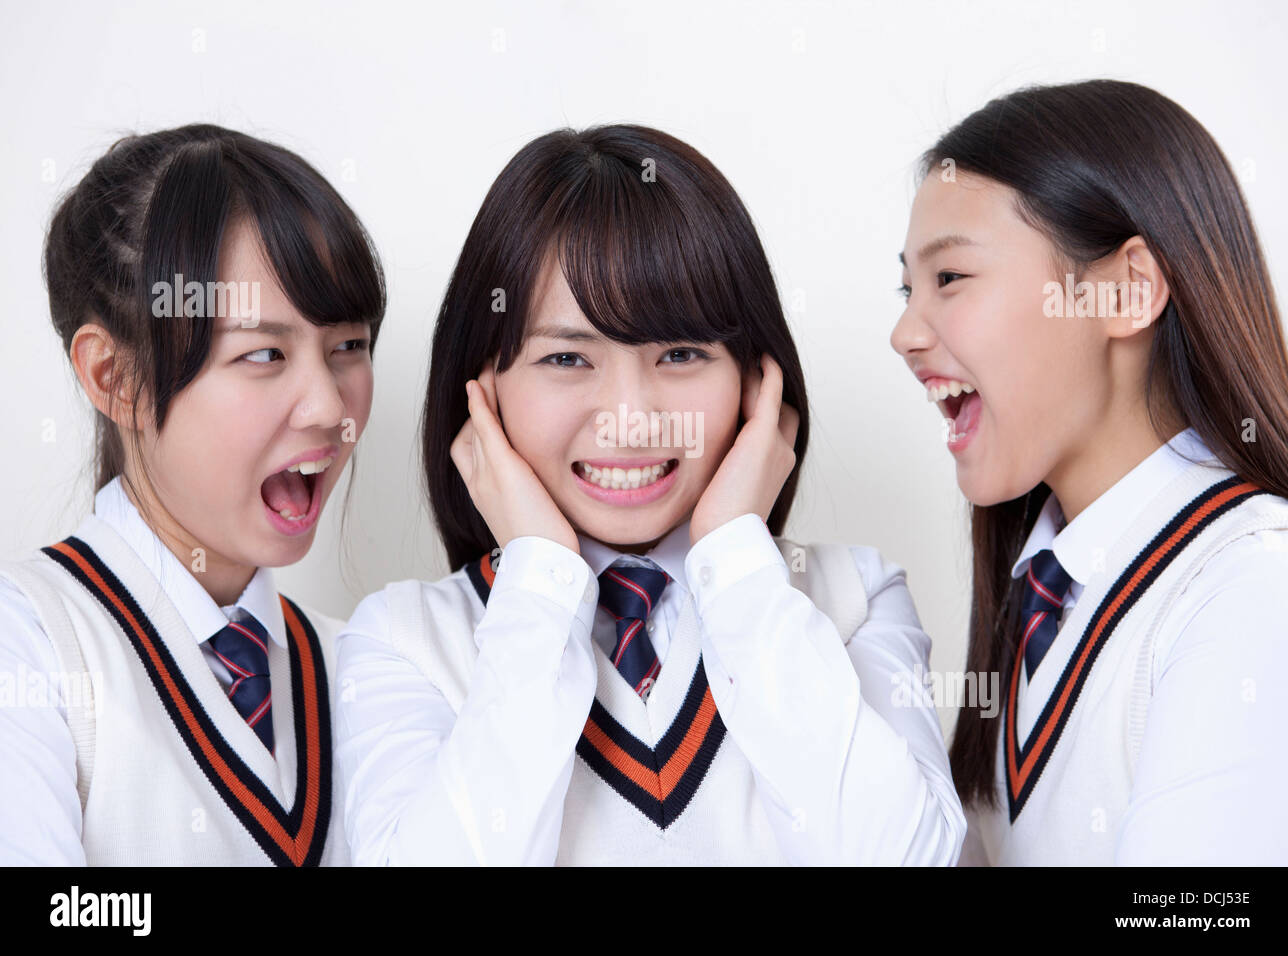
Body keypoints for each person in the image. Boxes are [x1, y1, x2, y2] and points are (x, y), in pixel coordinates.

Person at [335, 124, 965, 865]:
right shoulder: (404, 641)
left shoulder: (852, 598)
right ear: (482, 391)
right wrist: (540, 577)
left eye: (681, 353)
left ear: (757, 383)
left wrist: (735, 553)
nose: (631, 420)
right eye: (567, 357)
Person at [892, 80, 1288, 864]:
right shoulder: (1047, 589)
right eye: (907, 288)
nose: (905, 331)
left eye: (949, 279)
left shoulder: (1254, 585)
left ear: (1127, 290)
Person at [0, 124, 386, 865]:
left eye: (349, 346)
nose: (327, 406)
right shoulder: (34, 647)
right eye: (264, 353)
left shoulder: (367, 664)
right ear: (115, 378)